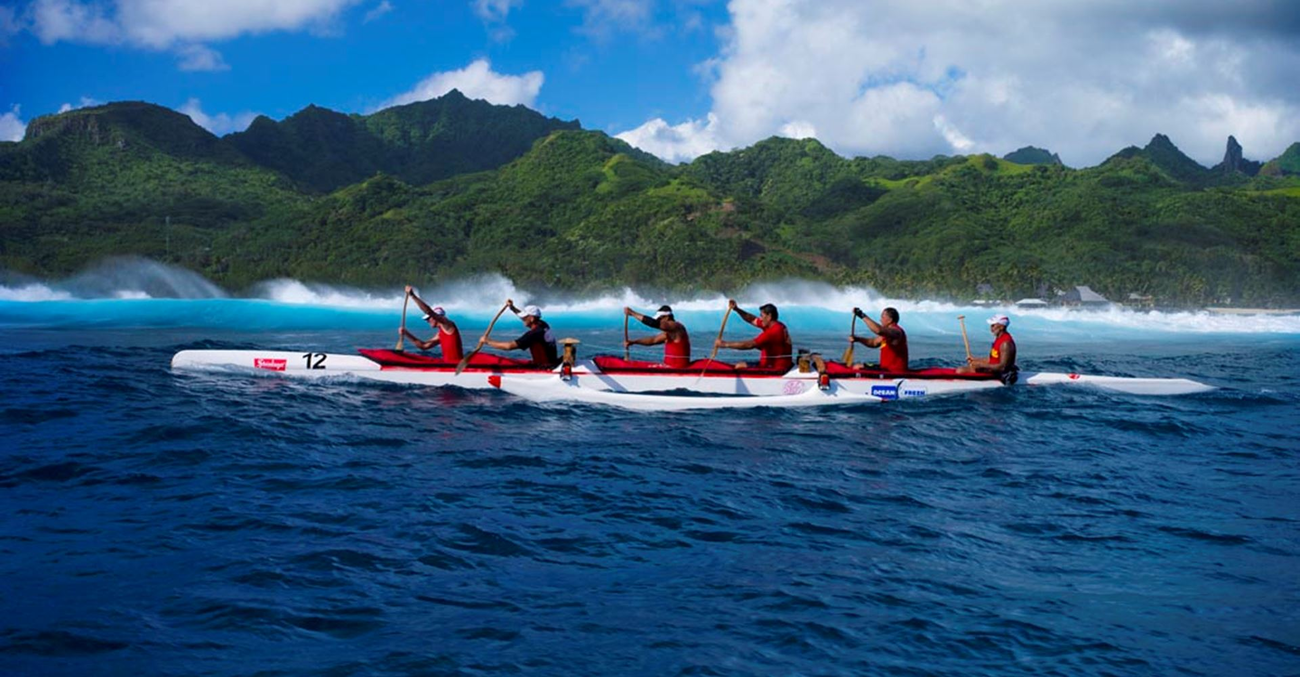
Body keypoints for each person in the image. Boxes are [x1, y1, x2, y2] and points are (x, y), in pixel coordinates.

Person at [714, 300, 793, 371]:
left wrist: (724, 344)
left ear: (769, 316)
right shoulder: (777, 325)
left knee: (739, 366)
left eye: (762, 316)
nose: (760, 319)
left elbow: (749, 345)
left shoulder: (773, 332)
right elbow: (752, 319)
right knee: (740, 364)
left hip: (775, 368)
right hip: (778, 364)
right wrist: (737, 309)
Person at [480, 301, 559, 367]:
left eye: (525, 317)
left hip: (545, 368)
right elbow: (523, 316)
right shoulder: (543, 324)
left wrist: (487, 341)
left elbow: (509, 346)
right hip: (551, 363)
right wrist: (512, 308)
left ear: (531, 318)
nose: (523, 319)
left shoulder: (534, 334)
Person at [400, 285, 463, 361]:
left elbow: (429, 311)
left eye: (428, 318)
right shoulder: (440, 334)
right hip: (448, 366)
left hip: (456, 367)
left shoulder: (448, 325)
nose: (427, 321)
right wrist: (406, 333)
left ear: (435, 317)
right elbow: (424, 346)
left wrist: (413, 296)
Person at [624, 305, 691, 367]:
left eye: (659, 319)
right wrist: (634, 342)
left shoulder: (676, 327)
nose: (658, 321)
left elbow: (653, 323)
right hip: (668, 366)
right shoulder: (669, 333)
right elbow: (653, 340)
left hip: (677, 368)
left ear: (667, 317)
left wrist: (632, 313)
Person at [959, 314, 1018, 382]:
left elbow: (1003, 367)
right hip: (995, 368)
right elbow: (994, 359)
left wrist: (981, 365)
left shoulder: (1006, 344)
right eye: (991, 325)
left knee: (961, 370)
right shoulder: (999, 338)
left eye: (993, 325)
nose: (991, 328)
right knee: (972, 364)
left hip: (1001, 374)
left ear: (1001, 327)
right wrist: (976, 359)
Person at [847, 307, 908, 371]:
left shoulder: (896, 332)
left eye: (882, 317)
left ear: (890, 320)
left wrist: (861, 315)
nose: (880, 320)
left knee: (857, 367)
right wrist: (858, 339)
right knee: (858, 365)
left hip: (894, 371)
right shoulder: (887, 334)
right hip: (885, 369)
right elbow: (873, 342)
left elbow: (878, 330)